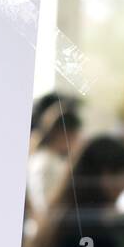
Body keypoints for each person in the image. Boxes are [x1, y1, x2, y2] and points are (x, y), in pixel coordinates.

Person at [26, 93, 82, 222]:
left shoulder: (50, 159)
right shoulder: (45, 162)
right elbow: (44, 207)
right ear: (64, 134)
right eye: (76, 136)